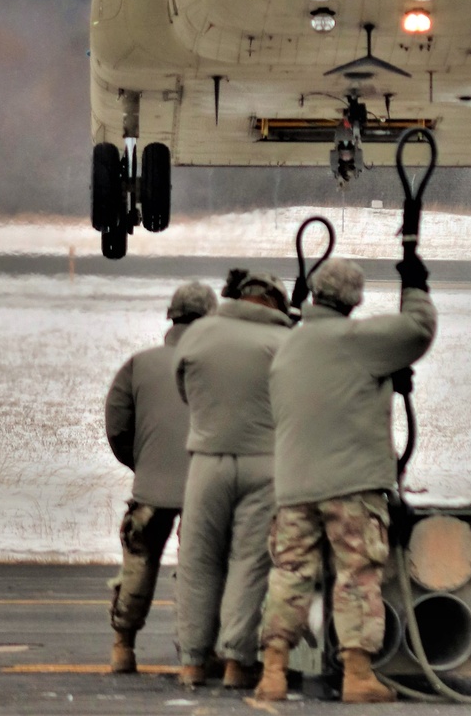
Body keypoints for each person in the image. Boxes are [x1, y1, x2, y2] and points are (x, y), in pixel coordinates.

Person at [256, 253, 437, 704]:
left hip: (295, 485)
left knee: (289, 575)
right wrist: (415, 283)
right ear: (354, 300)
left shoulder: (289, 345)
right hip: (351, 485)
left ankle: (273, 672)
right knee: (357, 576)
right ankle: (358, 676)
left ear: (316, 294)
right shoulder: (358, 339)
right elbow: (417, 330)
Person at [173, 269, 294, 690]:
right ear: (277, 302)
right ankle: (237, 661)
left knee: (198, 559)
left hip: (207, 460)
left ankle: (191, 660)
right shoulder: (286, 343)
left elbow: (185, 391)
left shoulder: (199, 334)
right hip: (267, 462)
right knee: (250, 561)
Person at [104, 280, 218, 674]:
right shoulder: (218, 366)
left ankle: (123, 646)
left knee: (138, 563)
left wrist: (143, 463)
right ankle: (196, 654)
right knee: (199, 570)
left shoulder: (139, 363)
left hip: (150, 486)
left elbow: (118, 428)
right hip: (207, 486)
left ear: (171, 318)